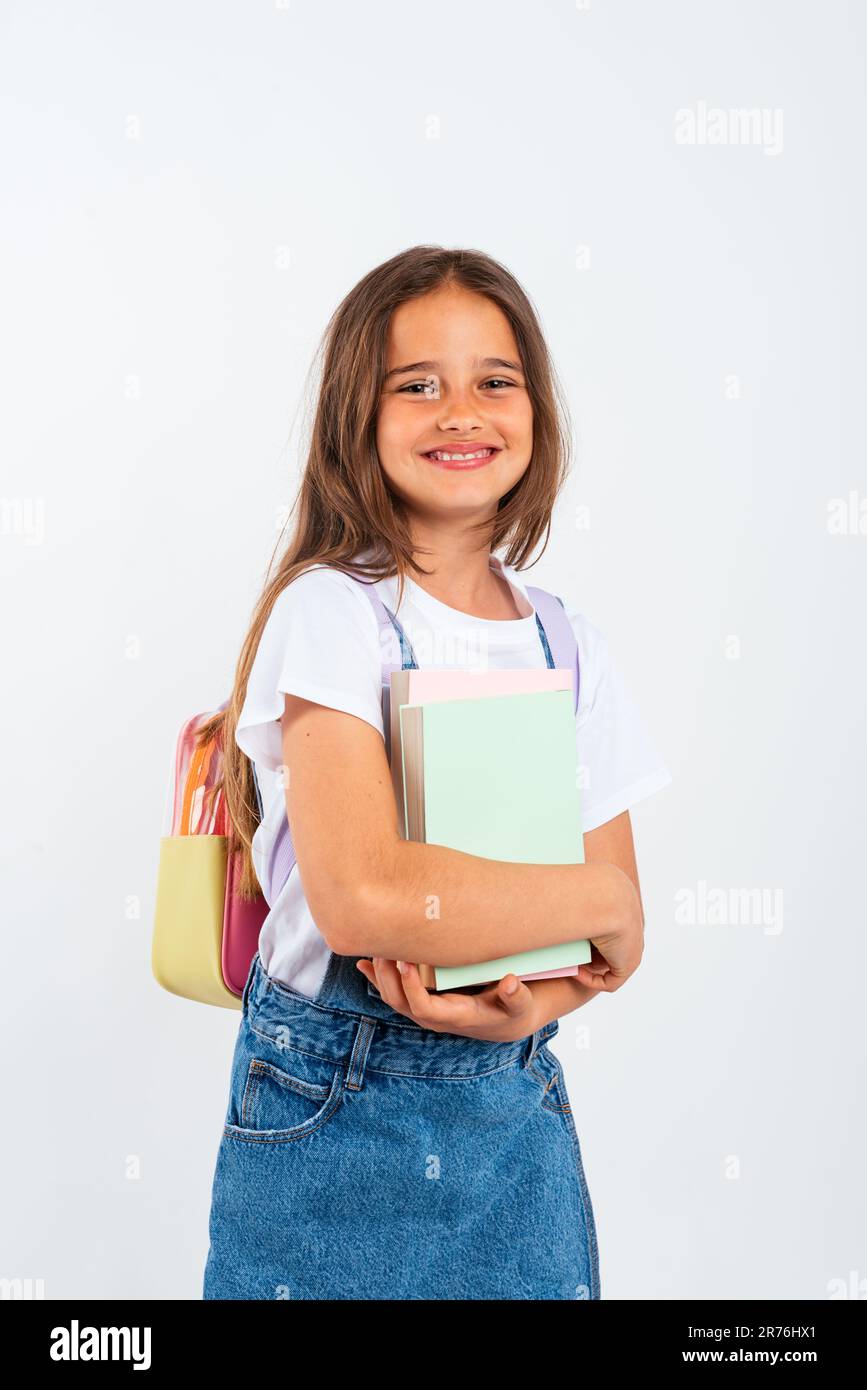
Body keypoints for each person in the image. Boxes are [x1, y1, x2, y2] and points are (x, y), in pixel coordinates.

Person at [202, 245, 672, 1300]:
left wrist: (524, 1003)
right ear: (355, 423)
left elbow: (602, 950)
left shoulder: (568, 643)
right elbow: (367, 897)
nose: (459, 410)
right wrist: (600, 901)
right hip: (335, 1112)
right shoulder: (331, 613)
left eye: (492, 381)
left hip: (512, 1120)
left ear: (536, 413)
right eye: (417, 385)